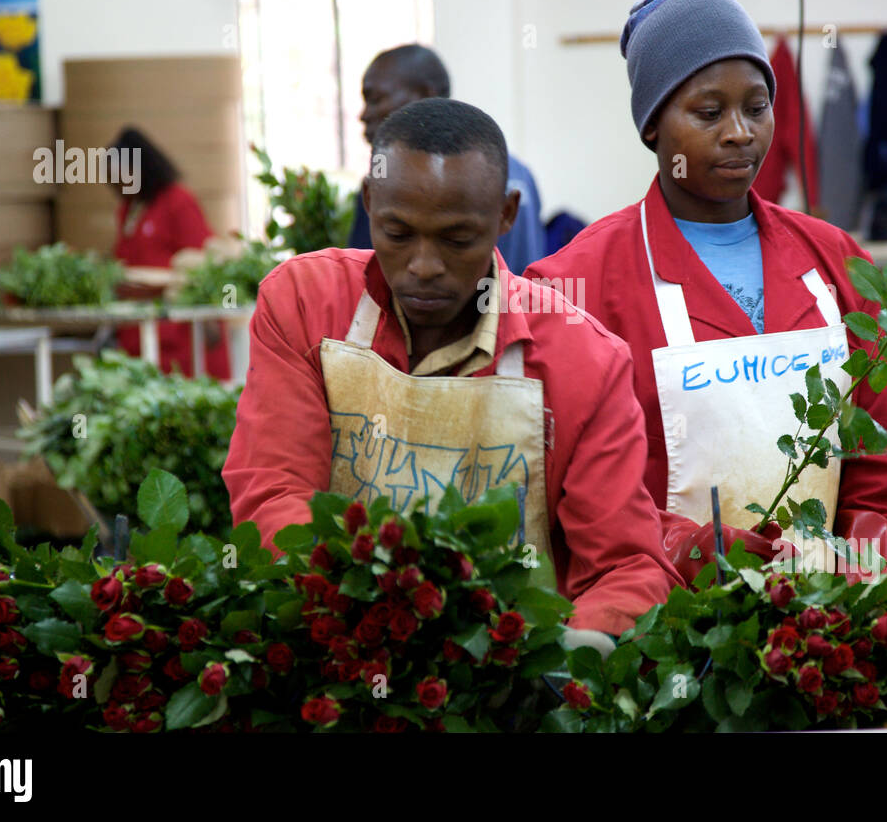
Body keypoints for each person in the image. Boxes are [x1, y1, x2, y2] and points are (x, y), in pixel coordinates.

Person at [223, 97, 681, 637]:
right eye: (397, 234)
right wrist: (358, 616)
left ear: (507, 215)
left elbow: (624, 566)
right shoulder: (303, 305)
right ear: (369, 201)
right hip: (339, 642)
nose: (424, 266)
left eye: (457, 240)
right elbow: (274, 494)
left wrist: (558, 657)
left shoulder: (585, 360)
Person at [526, 0, 887, 582]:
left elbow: (881, 463)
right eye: (709, 113)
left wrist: (857, 557)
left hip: (829, 619)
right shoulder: (575, 286)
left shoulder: (836, 263)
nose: (739, 131)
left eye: (757, 106)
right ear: (652, 125)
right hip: (662, 621)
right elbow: (577, 500)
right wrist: (726, 558)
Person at [348, 44, 546, 274]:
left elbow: (364, 278)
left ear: (425, 94)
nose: (363, 114)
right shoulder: (519, 171)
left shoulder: (391, 180)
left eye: (374, 98)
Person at [109, 126, 230, 379]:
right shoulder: (127, 211)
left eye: (119, 176)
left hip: (179, 335)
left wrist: (210, 316)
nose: (114, 185)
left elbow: (205, 261)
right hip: (139, 332)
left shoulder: (177, 201)